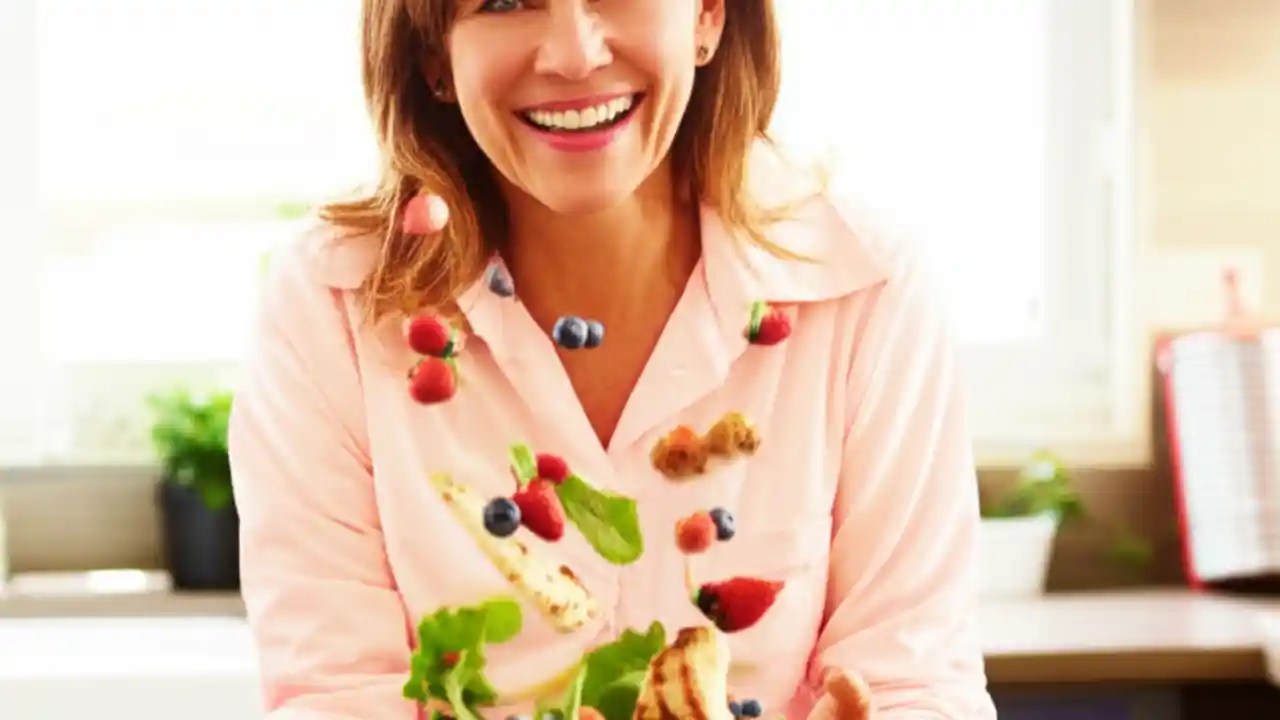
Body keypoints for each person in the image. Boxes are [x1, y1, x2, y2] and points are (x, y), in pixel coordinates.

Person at [228, 1, 997, 718]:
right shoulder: (332, 304)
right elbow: (336, 695)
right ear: (434, 51)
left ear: (707, 14)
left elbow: (915, 680)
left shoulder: (862, 287)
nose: (573, 53)